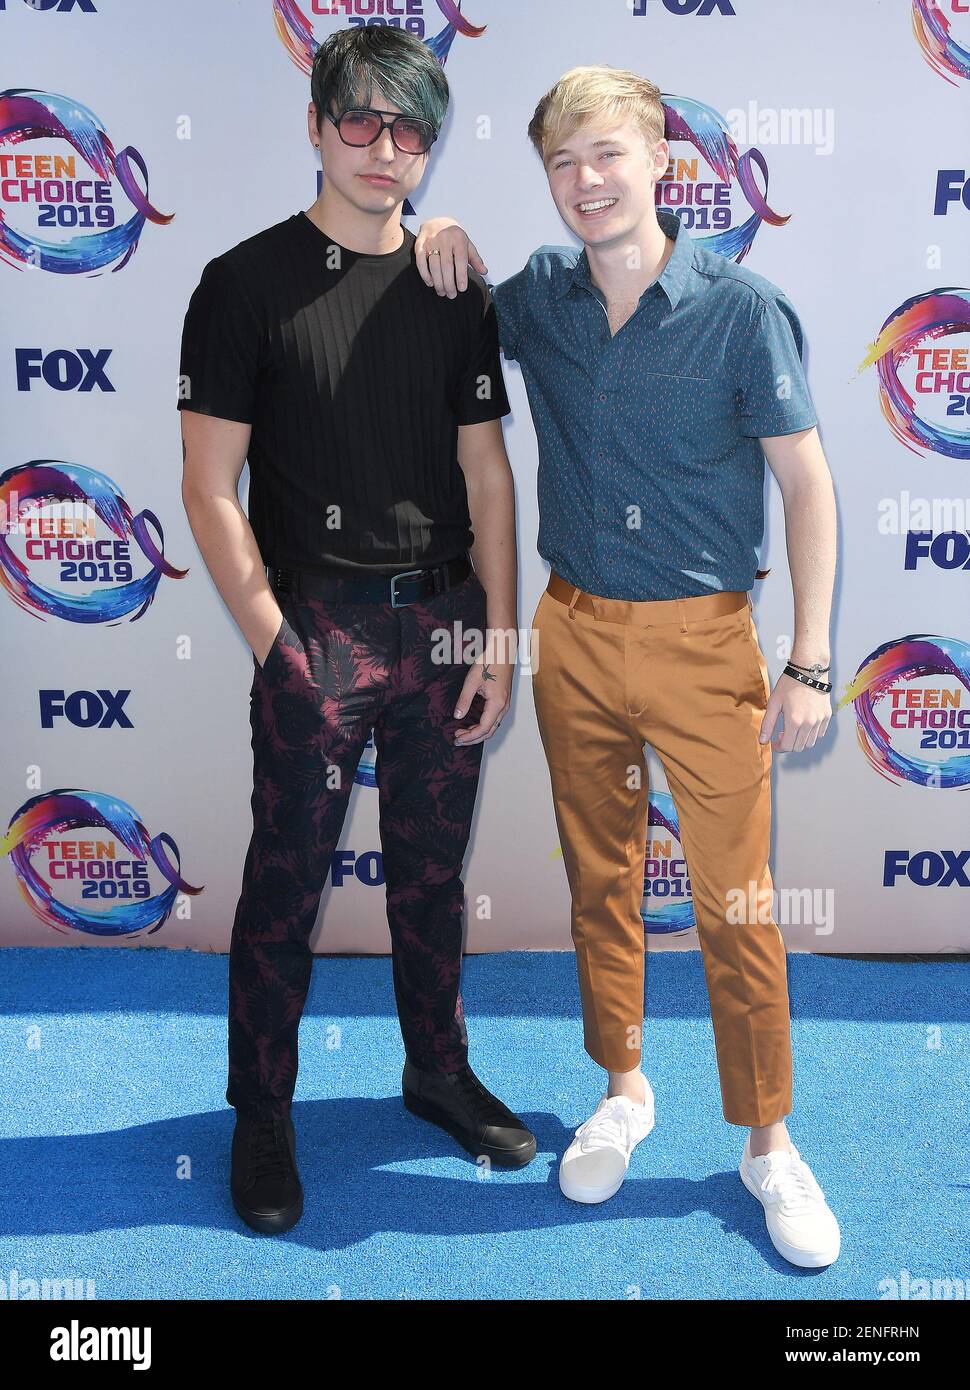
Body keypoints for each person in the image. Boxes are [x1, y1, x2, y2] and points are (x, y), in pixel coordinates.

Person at [413, 64, 841, 1269]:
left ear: (662, 160)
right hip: (575, 634)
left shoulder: (739, 308)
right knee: (601, 879)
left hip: (707, 641)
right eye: (561, 162)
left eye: (607, 154)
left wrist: (808, 662)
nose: (585, 181)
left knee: (735, 904)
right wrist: (437, 231)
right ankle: (623, 1087)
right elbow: (440, 300)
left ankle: (766, 1143)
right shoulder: (536, 297)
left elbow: (806, 485)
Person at [177, 25, 534, 1237]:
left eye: (413, 128)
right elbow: (206, 487)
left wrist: (497, 634)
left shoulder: (454, 282)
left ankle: (434, 1069)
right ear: (317, 124)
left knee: (432, 878)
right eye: (363, 122)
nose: (388, 150)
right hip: (316, 623)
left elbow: (488, 476)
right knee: (286, 881)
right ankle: (262, 1111)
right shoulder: (240, 284)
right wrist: (278, 635)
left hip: (442, 623)